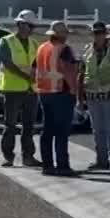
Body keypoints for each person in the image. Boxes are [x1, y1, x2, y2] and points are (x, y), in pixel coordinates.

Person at [33, 20, 82, 176]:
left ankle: (47, 165)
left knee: (47, 130)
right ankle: (62, 166)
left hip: (44, 92)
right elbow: (68, 71)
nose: (67, 36)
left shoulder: (42, 48)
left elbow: (33, 69)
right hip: (61, 93)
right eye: (65, 33)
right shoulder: (64, 49)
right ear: (60, 35)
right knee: (61, 131)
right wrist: (74, 90)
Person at [81, 20, 110, 172]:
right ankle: (101, 161)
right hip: (92, 96)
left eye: (101, 33)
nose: (98, 35)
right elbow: (81, 73)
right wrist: (79, 97)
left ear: (105, 34)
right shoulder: (87, 50)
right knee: (97, 130)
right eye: (95, 33)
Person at [0, 11, 41, 168]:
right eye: (29, 25)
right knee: (10, 125)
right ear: (20, 24)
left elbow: (38, 65)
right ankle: (8, 157)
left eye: (33, 26)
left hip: (31, 90)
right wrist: (27, 77)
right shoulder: (6, 41)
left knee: (29, 126)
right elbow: (7, 63)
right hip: (13, 90)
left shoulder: (34, 43)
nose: (32, 29)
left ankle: (28, 156)